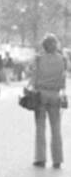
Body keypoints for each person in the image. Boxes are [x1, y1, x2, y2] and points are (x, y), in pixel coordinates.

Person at [31, 34, 66, 168]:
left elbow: (34, 78)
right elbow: (63, 80)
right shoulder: (62, 59)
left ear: (44, 47)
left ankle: (41, 159)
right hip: (55, 95)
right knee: (56, 128)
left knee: (40, 127)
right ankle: (57, 160)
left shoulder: (39, 59)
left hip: (41, 94)